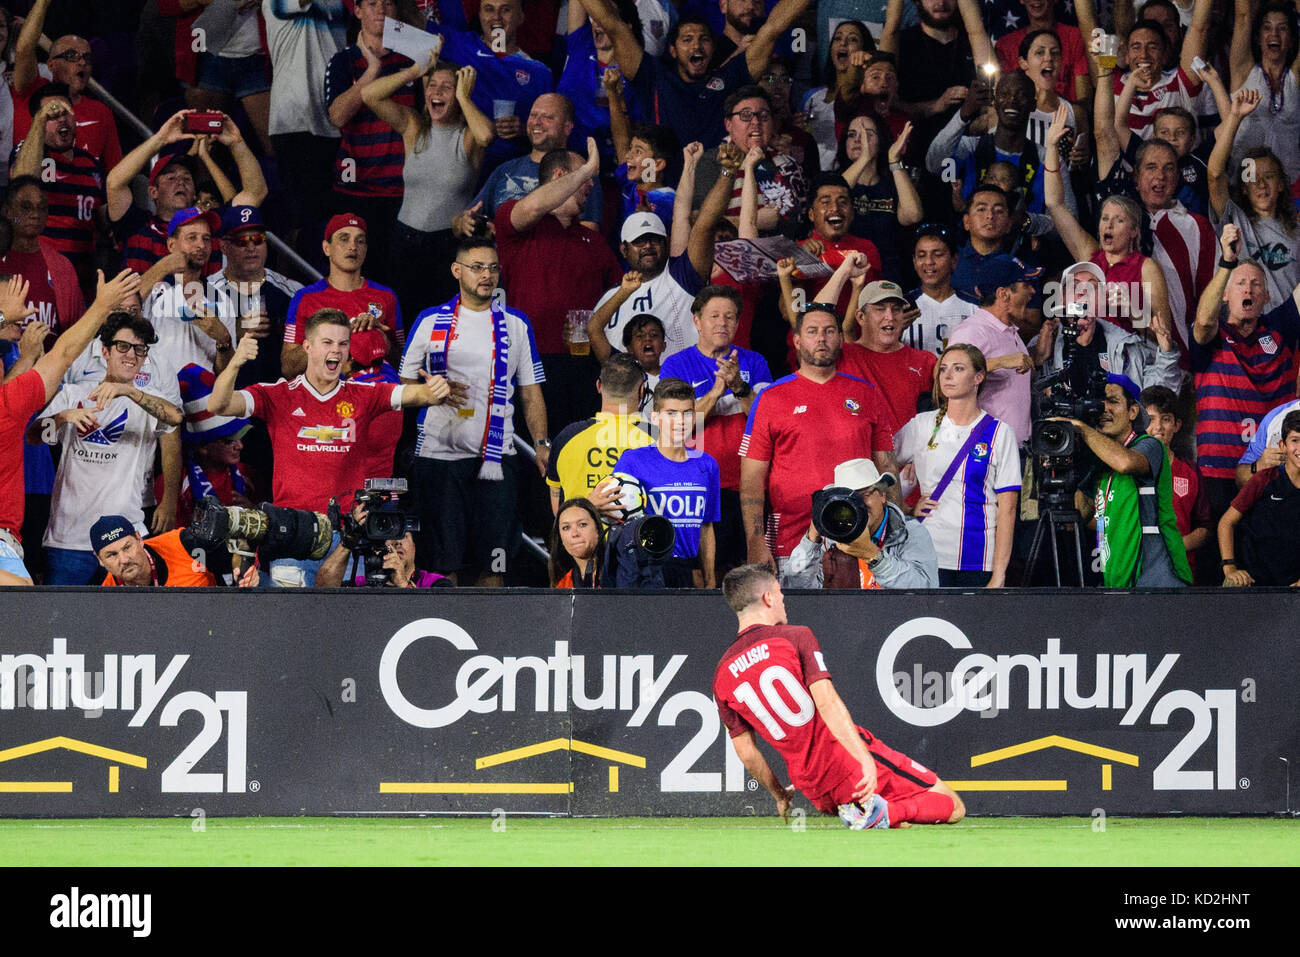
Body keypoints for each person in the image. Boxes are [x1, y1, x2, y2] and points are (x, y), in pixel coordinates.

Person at [207, 307, 465, 587]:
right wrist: (235, 363)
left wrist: (436, 390)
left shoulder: (365, 394)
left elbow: (417, 394)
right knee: (291, 624)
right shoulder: (277, 395)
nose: (337, 350)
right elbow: (217, 405)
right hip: (292, 536)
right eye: (327, 342)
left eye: (343, 343)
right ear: (307, 346)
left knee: (340, 626)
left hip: (346, 540)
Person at [714, 563, 965, 828]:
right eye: (780, 593)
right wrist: (864, 759)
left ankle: (873, 814)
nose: (784, 600)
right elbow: (827, 702)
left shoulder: (721, 674)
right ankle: (881, 813)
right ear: (768, 598)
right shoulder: (795, 637)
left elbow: (747, 752)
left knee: (899, 820)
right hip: (846, 761)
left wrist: (779, 794)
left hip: (813, 788)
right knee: (950, 804)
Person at [399, 236, 548, 586]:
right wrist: (431, 392)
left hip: (495, 460)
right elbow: (402, 389)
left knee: (494, 563)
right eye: (477, 267)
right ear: (457, 271)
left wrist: (542, 442)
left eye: (493, 267)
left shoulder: (516, 324)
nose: (487, 275)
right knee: (443, 563)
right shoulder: (429, 320)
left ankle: (490, 636)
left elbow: (530, 392)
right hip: (439, 458)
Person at [0, 268, 140, 586]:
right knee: (22, 594)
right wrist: (102, 306)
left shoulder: (8, 403)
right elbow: (63, 353)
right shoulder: (7, 406)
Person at [740, 302, 897, 572]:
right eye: (812, 331)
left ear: (840, 337)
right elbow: (752, 478)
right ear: (797, 340)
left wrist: (894, 532)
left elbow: (887, 467)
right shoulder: (771, 398)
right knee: (795, 616)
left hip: (860, 543)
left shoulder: (867, 394)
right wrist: (755, 541)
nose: (821, 338)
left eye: (829, 331)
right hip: (790, 542)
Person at [30, 312, 183, 585]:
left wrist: (128, 392)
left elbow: (175, 417)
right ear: (105, 351)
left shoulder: (148, 402)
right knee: (65, 624)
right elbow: (34, 437)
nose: (131, 355)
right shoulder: (73, 394)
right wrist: (64, 417)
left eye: (139, 349)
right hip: (69, 538)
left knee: (128, 624)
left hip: (127, 539)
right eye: (122, 346)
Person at [494, 139, 621, 429]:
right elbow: (536, 205)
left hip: (582, 364)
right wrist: (587, 169)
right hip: (528, 363)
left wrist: (595, 329)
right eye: (584, 179)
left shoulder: (593, 241)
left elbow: (618, 297)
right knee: (533, 455)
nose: (591, 185)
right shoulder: (516, 221)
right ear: (560, 177)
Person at [364, 51, 495, 317]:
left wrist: (463, 97)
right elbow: (369, 95)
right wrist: (413, 73)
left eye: (447, 87)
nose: (437, 91)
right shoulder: (414, 126)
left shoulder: (467, 136)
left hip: (447, 245)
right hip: (404, 241)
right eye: (432, 85)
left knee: (442, 324)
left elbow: (486, 135)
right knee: (403, 323)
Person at [583, 0, 810, 149]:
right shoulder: (653, 77)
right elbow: (613, 25)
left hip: (718, 187)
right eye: (687, 40)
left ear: (713, 47)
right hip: (666, 189)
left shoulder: (730, 77)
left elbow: (772, 29)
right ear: (672, 50)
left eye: (704, 39)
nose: (696, 47)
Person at [660, 284, 772, 574]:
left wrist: (739, 387)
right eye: (714, 316)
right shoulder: (676, 365)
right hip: (697, 485)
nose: (723, 323)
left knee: (750, 571)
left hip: (748, 484)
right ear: (696, 321)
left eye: (730, 317)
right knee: (706, 572)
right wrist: (717, 390)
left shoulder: (755, 362)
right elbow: (676, 428)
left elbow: (766, 421)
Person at [1191, 224, 1300, 518]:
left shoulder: (1280, 329)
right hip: (1219, 474)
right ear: (1225, 294)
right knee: (1218, 559)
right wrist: (1227, 263)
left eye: (1256, 284)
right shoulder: (1212, 337)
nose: (1248, 288)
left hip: (1274, 469)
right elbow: (1202, 321)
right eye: (1240, 283)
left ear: (1266, 296)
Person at [895, 344, 1019, 587]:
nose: (948, 376)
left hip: (978, 556)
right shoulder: (922, 425)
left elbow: (1008, 509)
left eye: (958, 369)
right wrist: (905, 508)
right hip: (925, 552)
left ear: (978, 377)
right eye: (943, 369)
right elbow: (881, 466)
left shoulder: (1000, 433)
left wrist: (1000, 574)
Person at [1043, 108, 1174, 337]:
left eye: (1119, 220)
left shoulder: (1146, 268)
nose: (1108, 225)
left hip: (1130, 361)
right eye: (1105, 218)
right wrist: (1052, 148)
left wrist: (1133, 312)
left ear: (1134, 230)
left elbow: (1165, 335)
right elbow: (1055, 204)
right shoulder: (1091, 257)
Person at [1052, 375, 1192, 587]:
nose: (1104, 408)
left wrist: (1081, 428)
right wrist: (1072, 463)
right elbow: (1083, 513)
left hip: (1159, 577)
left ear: (1133, 411)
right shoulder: (1099, 460)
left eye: (1113, 401)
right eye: (1100, 402)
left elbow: (1125, 462)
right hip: (1119, 577)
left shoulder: (1150, 445)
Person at [106, 111, 267, 279]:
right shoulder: (137, 225)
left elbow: (256, 192)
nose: (181, 182)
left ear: (194, 194)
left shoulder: (212, 224)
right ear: (153, 192)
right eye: (171, 178)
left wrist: (236, 142)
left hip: (204, 305)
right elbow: (114, 184)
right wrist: (161, 138)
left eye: (187, 178)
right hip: (141, 305)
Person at [325, 0, 421, 276]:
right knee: (358, 276)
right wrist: (372, 70)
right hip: (355, 190)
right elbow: (338, 116)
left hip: (404, 190)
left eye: (389, 3)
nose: (381, 9)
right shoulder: (343, 60)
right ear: (357, 11)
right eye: (372, 3)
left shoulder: (413, 60)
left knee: (402, 278)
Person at [612, 377, 722, 587]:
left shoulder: (708, 465)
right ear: (655, 418)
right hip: (645, 571)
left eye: (687, 413)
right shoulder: (632, 461)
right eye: (671, 414)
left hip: (688, 571)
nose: (681, 421)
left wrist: (710, 580)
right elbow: (612, 514)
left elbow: (706, 527)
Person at [589, 193, 725, 362]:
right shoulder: (609, 297)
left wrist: (727, 173)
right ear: (624, 250)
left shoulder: (682, 276)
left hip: (681, 384)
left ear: (666, 243)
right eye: (639, 241)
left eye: (655, 240)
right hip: (628, 385)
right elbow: (593, 337)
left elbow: (706, 224)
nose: (648, 246)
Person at [425, 0, 555, 170]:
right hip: (459, 169)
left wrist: (525, 129)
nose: (496, 17)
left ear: (521, 17)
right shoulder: (460, 45)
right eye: (489, 9)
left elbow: (555, 136)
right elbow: (410, 22)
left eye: (506, 10)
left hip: (512, 174)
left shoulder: (540, 73)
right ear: (479, 15)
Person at [1207, 90, 1300, 312]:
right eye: (1253, 179)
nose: (1261, 184)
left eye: (1269, 177)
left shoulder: (1296, 229)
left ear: (1281, 184)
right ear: (1244, 189)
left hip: (1289, 334)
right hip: (1243, 333)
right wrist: (1235, 117)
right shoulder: (1233, 219)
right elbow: (1214, 174)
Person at [784, 457, 939, 589]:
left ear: (882, 495)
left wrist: (872, 555)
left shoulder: (910, 532)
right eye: (849, 500)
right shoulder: (832, 533)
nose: (858, 505)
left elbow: (925, 590)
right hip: (842, 619)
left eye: (864, 495)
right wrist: (812, 539)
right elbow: (797, 591)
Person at [457, 92, 603, 233]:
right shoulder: (504, 170)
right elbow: (461, 221)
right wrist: (464, 223)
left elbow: (588, 232)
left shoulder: (582, 173)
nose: (537, 122)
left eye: (548, 117)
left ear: (567, 127)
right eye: (533, 115)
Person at [282, 213, 402, 378]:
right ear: (326, 248)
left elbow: (404, 366)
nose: (353, 246)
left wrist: (380, 338)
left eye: (360, 241)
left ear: (365, 250)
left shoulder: (386, 296)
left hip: (374, 393)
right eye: (344, 239)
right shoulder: (305, 297)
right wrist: (334, 334)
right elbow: (289, 367)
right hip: (326, 395)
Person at [10, 84, 105, 291]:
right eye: (51, 116)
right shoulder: (29, 153)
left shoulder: (90, 164)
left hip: (82, 281)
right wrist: (39, 120)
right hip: (38, 277)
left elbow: (100, 217)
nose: (62, 119)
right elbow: (22, 182)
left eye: (66, 113)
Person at [1036, 262, 1181, 393]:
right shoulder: (1046, 342)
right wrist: (1038, 359)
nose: (1083, 291)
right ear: (1061, 299)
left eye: (1092, 287)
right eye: (1075, 286)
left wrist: (1167, 354)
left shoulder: (1126, 345)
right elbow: (1024, 402)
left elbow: (1158, 397)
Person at [10, 0, 122, 169]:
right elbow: (25, 48)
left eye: (87, 57)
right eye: (71, 56)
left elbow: (114, 173)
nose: (82, 62)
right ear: (51, 65)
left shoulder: (101, 111)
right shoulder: (33, 93)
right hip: (36, 193)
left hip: (84, 192)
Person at [947, 255, 1043, 444]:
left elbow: (1013, 386)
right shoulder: (973, 331)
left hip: (1016, 451)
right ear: (1004, 294)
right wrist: (1001, 362)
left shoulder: (1010, 331)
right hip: (984, 453)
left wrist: (1037, 358)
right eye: (1026, 285)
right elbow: (948, 376)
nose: (1032, 292)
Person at [546, 352, 653, 511]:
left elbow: (559, 511)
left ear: (598, 386)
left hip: (582, 534)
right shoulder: (660, 437)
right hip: (641, 535)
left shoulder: (567, 437)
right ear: (642, 391)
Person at [140, 207, 239, 376]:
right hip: (155, 391)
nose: (201, 245)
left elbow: (225, 373)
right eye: (192, 237)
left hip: (202, 396)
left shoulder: (222, 299)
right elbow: (119, 311)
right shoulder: (152, 290)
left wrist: (224, 340)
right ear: (171, 244)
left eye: (206, 239)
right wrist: (164, 266)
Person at [1218, 409, 1300, 587]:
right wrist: (1230, 568)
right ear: (1283, 445)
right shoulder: (1264, 479)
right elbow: (1226, 523)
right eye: (1295, 440)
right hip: (1254, 581)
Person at [839, 114, 921, 283]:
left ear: (881, 141)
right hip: (844, 274)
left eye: (867, 133)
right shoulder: (834, 180)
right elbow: (836, 196)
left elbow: (912, 215)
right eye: (852, 134)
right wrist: (864, 158)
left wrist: (894, 160)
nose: (858, 139)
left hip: (886, 277)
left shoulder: (892, 184)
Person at [1227, 0, 1300, 185]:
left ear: (1291, 39)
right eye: (1267, 28)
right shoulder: (1244, 72)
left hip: (1289, 185)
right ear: (1258, 37)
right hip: (1245, 183)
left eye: (1282, 28)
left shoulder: (1295, 78)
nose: (1274, 34)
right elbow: (1243, 17)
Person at [1141, 384, 1210, 576]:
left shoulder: (1190, 472)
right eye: (1150, 419)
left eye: (1166, 419)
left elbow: (1204, 527)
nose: (1158, 427)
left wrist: (1176, 546)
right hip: (1138, 570)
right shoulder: (1128, 467)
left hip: (1180, 570)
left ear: (1177, 425)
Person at [0, 176, 83, 334]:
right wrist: (4, 318)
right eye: (26, 207)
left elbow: (76, 331)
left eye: (42, 208)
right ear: (7, 211)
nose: (35, 214)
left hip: (50, 357)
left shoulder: (61, 267)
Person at [89, 514, 258, 588]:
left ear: (139, 539)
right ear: (100, 560)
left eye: (127, 547)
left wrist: (246, 574)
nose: (124, 559)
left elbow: (239, 547)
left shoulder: (185, 544)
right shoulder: (105, 594)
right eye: (112, 555)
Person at [316, 502, 451, 588]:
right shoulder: (361, 584)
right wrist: (348, 542)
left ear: (414, 547)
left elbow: (437, 620)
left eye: (404, 536)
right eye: (390, 536)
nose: (397, 542)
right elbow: (323, 593)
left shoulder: (434, 583)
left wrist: (403, 585)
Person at [905, 223, 974, 356]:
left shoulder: (975, 308)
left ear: (954, 260)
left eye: (937, 254)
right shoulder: (901, 307)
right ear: (914, 261)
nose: (929, 261)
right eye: (921, 255)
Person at [549, 496, 605, 587]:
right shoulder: (563, 585)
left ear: (597, 530)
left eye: (582, 525)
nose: (574, 533)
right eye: (566, 527)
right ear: (560, 538)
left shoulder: (621, 572)